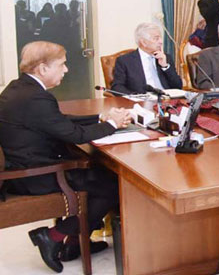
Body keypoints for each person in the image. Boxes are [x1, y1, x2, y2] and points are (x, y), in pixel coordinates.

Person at [0, 41, 131, 272]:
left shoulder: (19, 88)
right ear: (42, 68)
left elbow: (58, 121)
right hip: (36, 176)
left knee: (101, 176)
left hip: (22, 168)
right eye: (62, 64)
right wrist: (113, 124)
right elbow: (74, 135)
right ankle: (53, 236)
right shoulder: (36, 98)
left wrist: (100, 117)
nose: (66, 69)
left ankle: (73, 243)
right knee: (112, 184)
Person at [111, 23, 183, 94]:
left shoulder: (165, 57)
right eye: (156, 38)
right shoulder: (125, 61)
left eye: (161, 38)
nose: (161, 42)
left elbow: (178, 86)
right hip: (142, 101)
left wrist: (165, 66)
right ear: (143, 42)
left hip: (166, 100)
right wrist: (135, 96)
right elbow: (117, 87)